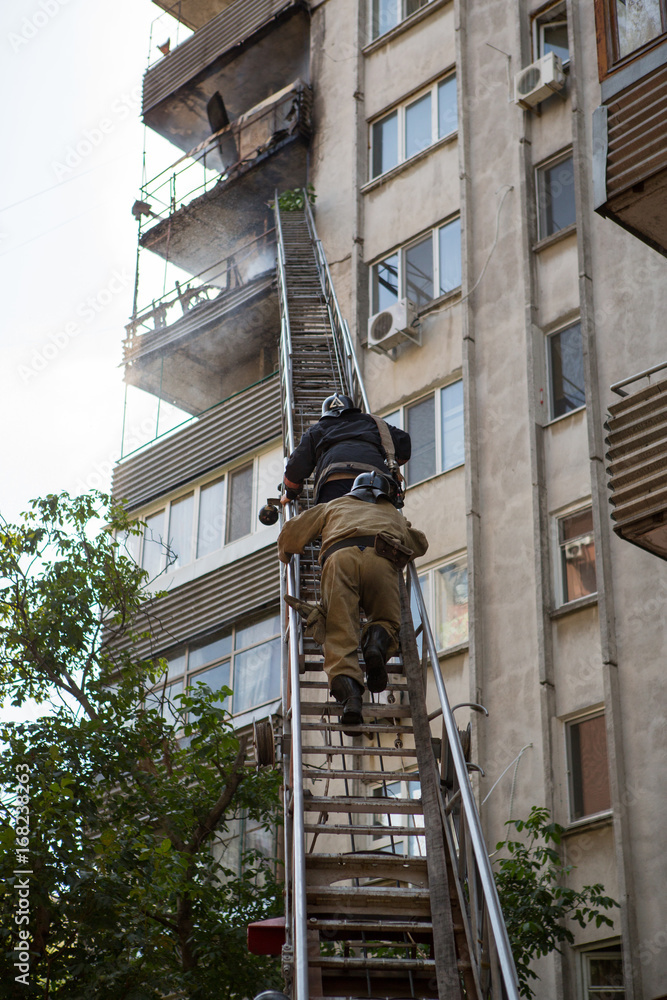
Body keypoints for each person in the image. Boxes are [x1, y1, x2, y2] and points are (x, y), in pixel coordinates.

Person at [277, 472, 428, 729]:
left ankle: (351, 699)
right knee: (388, 622)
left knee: (339, 632)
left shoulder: (334, 505)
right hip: (382, 559)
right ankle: (375, 644)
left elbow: (291, 534)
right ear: (384, 494)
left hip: (340, 558)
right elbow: (420, 545)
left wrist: (286, 554)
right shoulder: (393, 513)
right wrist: (403, 527)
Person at [281, 392, 411, 506]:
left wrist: (291, 494)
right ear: (352, 409)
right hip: (375, 479)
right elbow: (403, 444)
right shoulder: (374, 422)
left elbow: (296, 467)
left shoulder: (317, 430)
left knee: (333, 525)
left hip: (335, 482)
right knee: (382, 524)